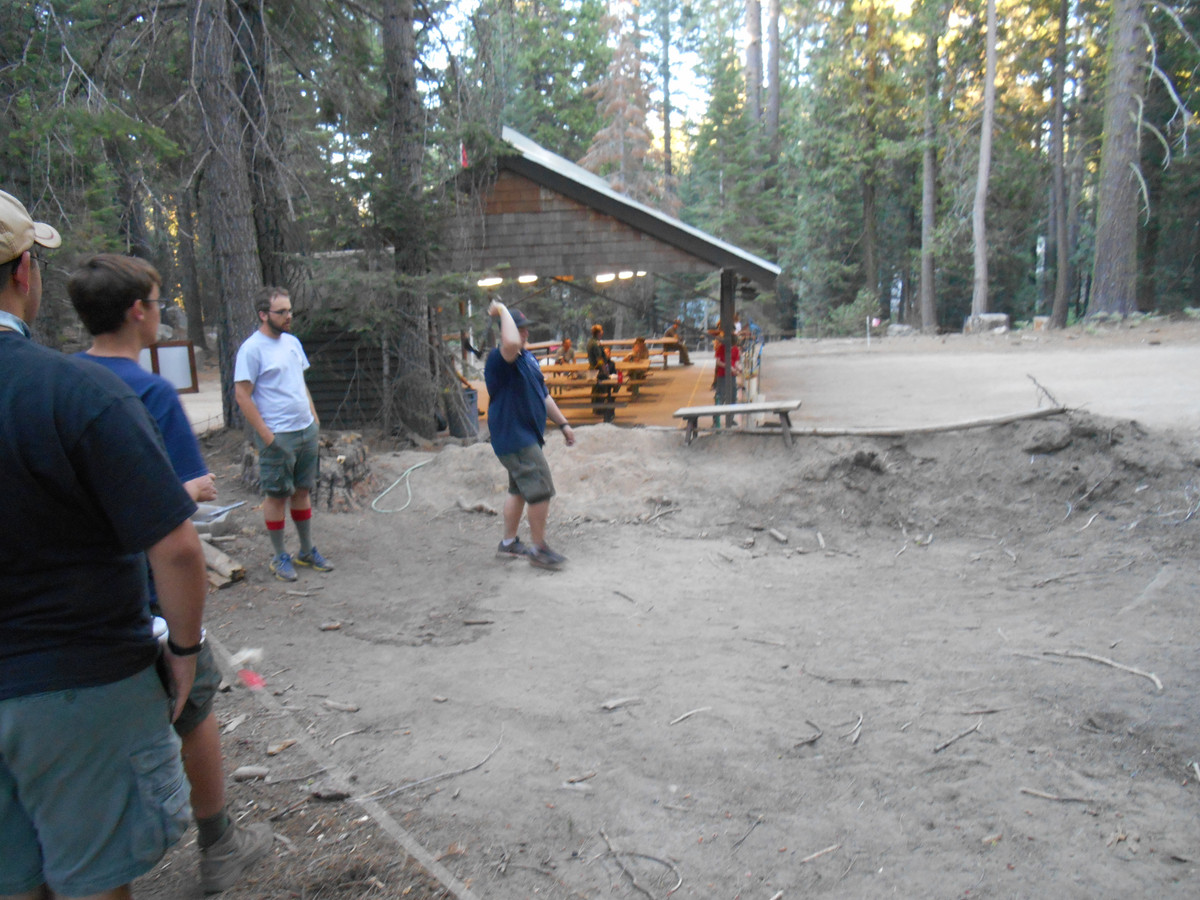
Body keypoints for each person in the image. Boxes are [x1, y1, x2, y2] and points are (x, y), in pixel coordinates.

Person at [0, 190, 206, 900]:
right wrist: (183, 652)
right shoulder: (74, 392)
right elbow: (175, 545)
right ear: (25, 272)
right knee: (94, 883)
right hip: (76, 682)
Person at [68, 254, 274, 894]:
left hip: (83, 593)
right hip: (148, 592)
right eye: (159, 302)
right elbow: (177, 503)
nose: (162, 314)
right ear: (138, 311)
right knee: (196, 703)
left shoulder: (63, 379)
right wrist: (193, 486)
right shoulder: (149, 390)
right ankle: (219, 847)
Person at [234, 287, 334, 582]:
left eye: (290, 310)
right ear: (263, 315)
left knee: (302, 491)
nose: (289, 316)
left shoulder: (292, 343)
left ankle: (306, 550)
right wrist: (267, 437)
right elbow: (242, 395)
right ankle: (279, 556)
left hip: (305, 430)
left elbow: (299, 382)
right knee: (276, 495)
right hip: (278, 435)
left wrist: (313, 418)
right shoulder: (251, 349)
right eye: (282, 312)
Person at [485, 300, 575, 569]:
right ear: (505, 331)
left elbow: (543, 395)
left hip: (524, 437)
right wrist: (501, 310)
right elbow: (510, 343)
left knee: (519, 490)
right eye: (519, 328)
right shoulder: (500, 358)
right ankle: (539, 550)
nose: (524, 333)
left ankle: (508, 544)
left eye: (526, 328)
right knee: (540, 488)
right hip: (515, 439)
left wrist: (563, 424)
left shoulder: (528, 359)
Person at [586, 323, 616, 421]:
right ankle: (599, 409)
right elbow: (599, 359)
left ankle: (597, 408)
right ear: (598, 333)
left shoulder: (591, 341)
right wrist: (605, 370)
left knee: (596, 388)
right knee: (600, 388)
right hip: (597, 369)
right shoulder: (595, 343)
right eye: (601, 330)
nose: (602, 332)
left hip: (593, 368)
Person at [713, 329, 741, 428]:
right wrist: (728, 366)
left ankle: (730, 418)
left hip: (732, 375)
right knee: (720, 396)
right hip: (722, 375)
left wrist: (738, 368)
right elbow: (718, 361)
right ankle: (716, 420)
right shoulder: (721, 348)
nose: (732, 347)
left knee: (733, 396)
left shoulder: (736, 349)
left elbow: (736, 361)